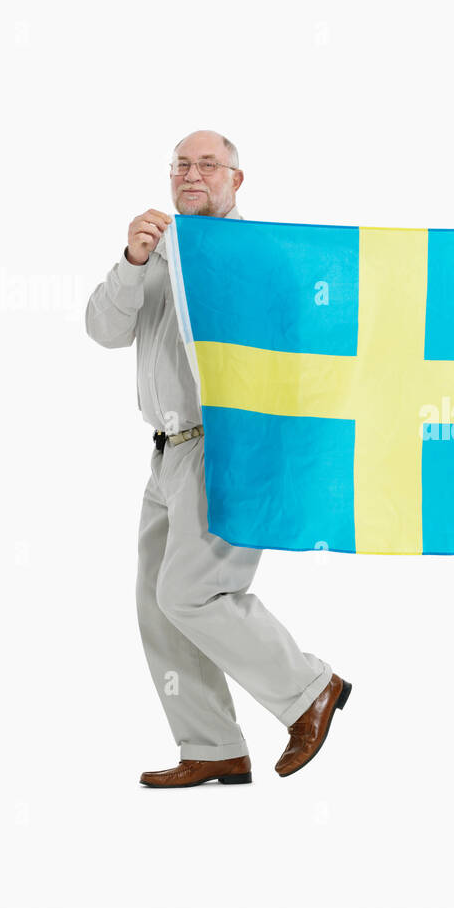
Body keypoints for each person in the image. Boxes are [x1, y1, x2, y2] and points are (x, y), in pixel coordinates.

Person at [85, 128, 351, 788]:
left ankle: (309, 688)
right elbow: (103, 330)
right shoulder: (161, 251)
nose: (191, 174)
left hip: (228, 446)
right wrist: (132, 259)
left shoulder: (259, 255)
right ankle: (212, 747)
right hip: (165, 455)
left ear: (237, 179)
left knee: (192, 591)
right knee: (157, 602)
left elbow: (301, 348)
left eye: (208, 164)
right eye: (181, 164)